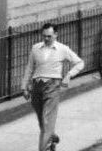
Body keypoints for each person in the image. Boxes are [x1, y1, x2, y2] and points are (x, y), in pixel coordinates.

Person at [21, 23, 83, 151]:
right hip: (36, 87)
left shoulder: (62, 49)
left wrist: (69, 75)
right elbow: (29, 68)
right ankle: (51, 136)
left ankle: (44, 148)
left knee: (47, 121)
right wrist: (24, 87)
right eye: (44, 36)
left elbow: (80, 63)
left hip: (53, 86)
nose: (46, 38)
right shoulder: (35, 48)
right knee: (42, 121)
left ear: (56, 35)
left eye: (49, 36)